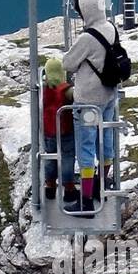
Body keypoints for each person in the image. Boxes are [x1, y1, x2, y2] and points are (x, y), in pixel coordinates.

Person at [63, 0, 119, 214]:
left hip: (87, 102)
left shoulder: (87, 38)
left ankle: (85, 200)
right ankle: (100, 186)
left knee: (85, 148)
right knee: (105, 142)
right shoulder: (111, 29)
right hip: (108, 97)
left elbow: (68, 63)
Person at [41, 56, 78, 206]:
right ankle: (68, 189)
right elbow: (77, 97)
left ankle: (50, 186)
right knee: (67, 158)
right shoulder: (66, 89)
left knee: (50, 157)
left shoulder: (44, 88)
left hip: (49, 131)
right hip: (66, 130)